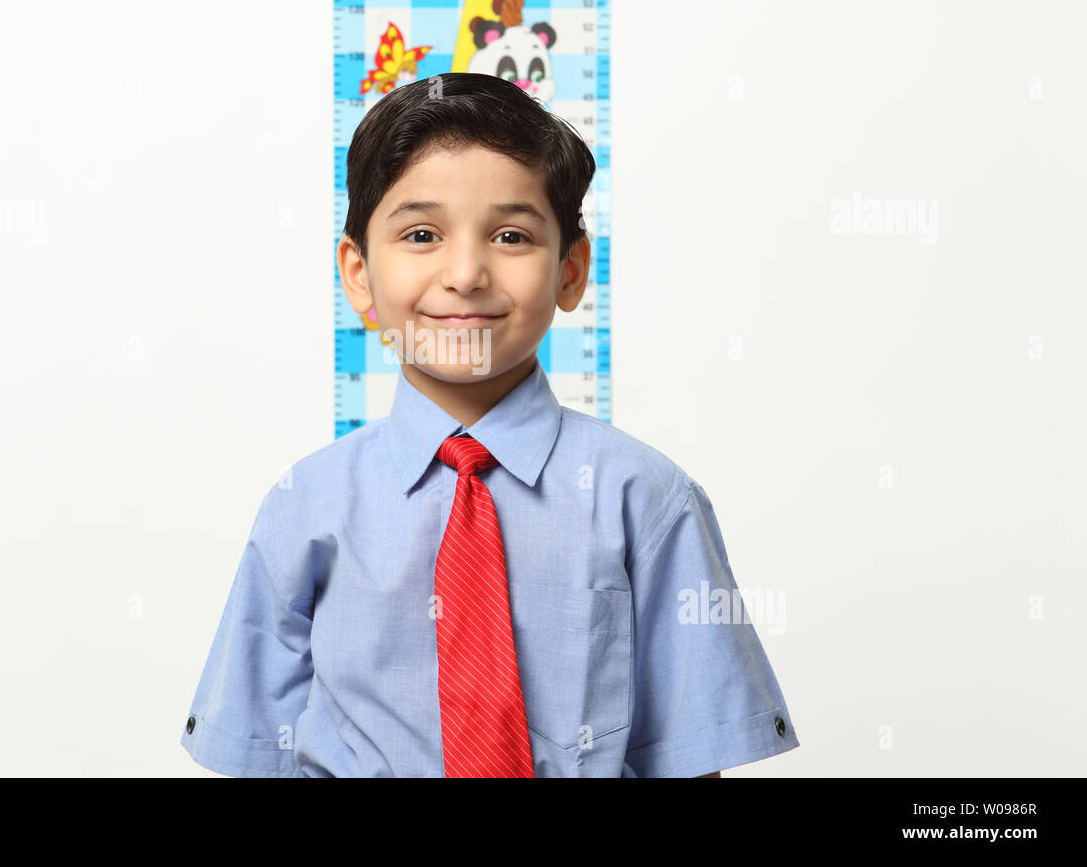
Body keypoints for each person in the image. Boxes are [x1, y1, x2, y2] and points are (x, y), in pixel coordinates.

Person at [180, 72, 799, 777]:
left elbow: (691, 753)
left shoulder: (648, 499)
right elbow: (256, 748)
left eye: (510, 235)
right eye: (421, 234)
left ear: (570, 272)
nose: (466, 272)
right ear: (358, 274)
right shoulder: (305, 503)